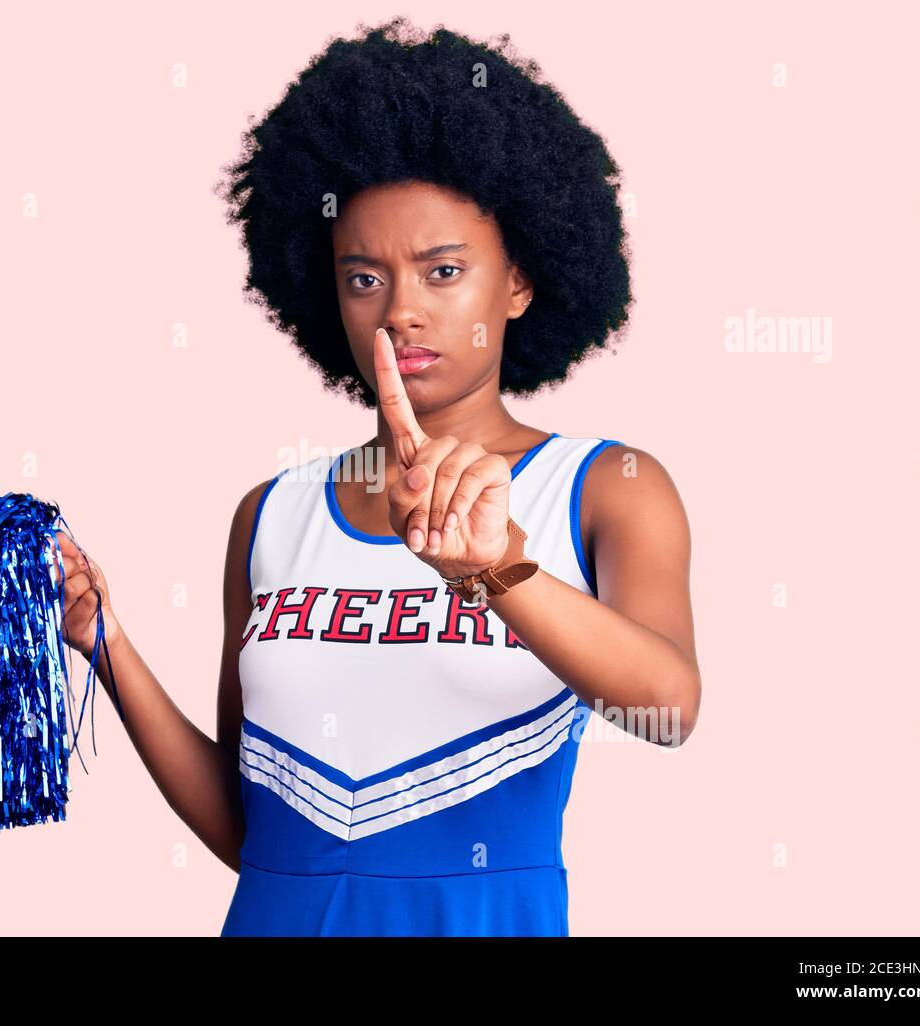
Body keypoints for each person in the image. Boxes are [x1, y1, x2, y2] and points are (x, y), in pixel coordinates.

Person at [50, 16, 701, 937]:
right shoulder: (272, 514)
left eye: (443, 270)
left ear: (518, 281)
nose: (401, 311)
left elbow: (668, 711)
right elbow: (251, 833)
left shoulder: (604, 487)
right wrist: (106, 646)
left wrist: (496, 571)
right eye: (364, 278)